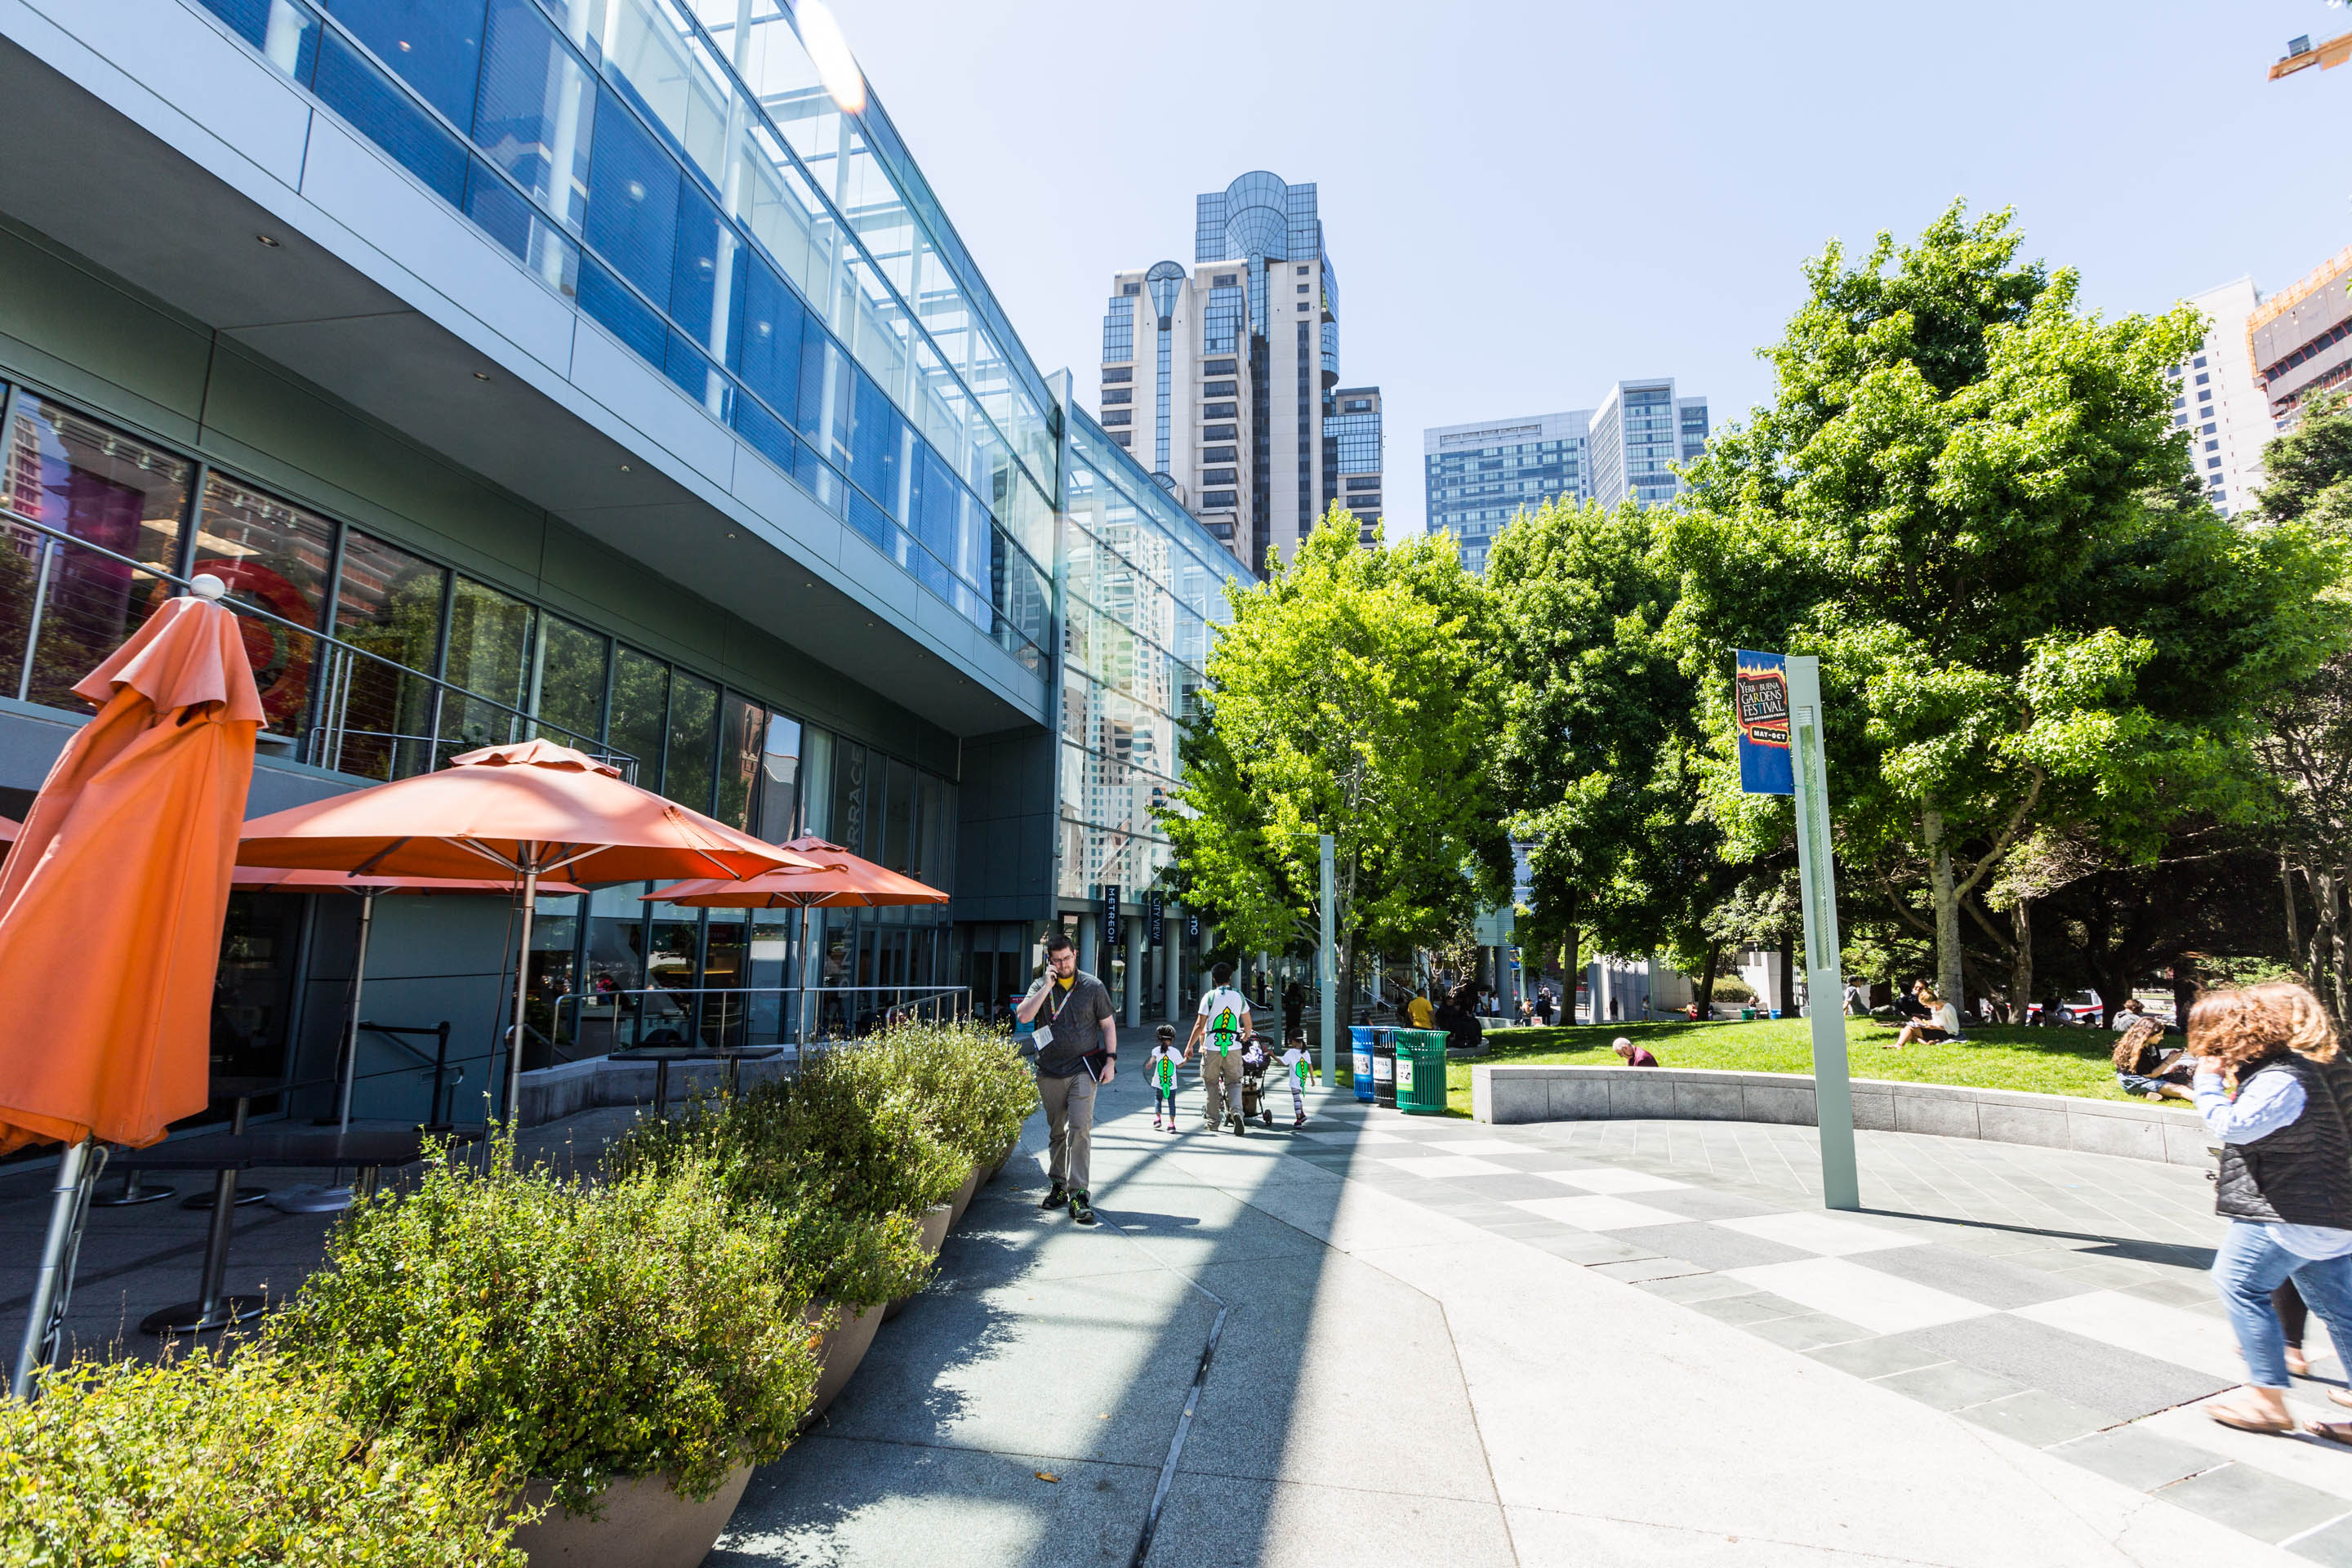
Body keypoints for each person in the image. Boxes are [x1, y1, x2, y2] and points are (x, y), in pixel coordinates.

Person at [2185, 981, 2352, 1441]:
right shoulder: (2329, 1065)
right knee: (2340, 1308)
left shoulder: (2283, 1077)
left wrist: (2207, 1082)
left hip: (2291, 1209)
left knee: (2238, 1283)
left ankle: (2266, 1400)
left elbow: (2234, 1126)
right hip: (2330, 1210)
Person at [1016, 933, 1118, 1226]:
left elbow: (1108, 1025)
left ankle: (1079, 1194)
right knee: (1056, 1131)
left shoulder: (1093, 987)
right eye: (1057, 960)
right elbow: (1023, 1017)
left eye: (1067, 958)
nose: (1063, 965)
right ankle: (1059, 1185)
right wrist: (1046, 987)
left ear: (1076, 955)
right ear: (1050, 961)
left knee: (1081, 1129)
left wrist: (1110, 1060)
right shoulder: (1041, 985)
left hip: (1083, 1070)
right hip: (1049, 1071)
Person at [1189, 961, 1253, 1134]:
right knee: (1234, 1081)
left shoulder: (1209, 997)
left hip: (1212, 1046)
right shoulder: (1238, 996)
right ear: (1230, 977)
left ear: (1213, 978)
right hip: (1233, 1045)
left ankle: (1213, 1122)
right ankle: (1237, 1112)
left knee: (1211, 1083)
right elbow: (1247, 1022)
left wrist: (1190, 1046)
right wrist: (1246, 1035)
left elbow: (1199, 1024)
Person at [2113, 1018, 2192, 1102]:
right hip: (2135, 1080)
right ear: (2148, 1035)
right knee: (2181, 1089)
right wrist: (2168, 1061)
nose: (2162, 1038)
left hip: (2148, 1077)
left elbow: (2156, 1066)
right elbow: (2151, 1075)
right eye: (2159, 1035)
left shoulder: (2151, 1045)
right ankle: (2204, 1102)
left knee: (2184, 1079)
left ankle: (2148, 1094)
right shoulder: (2136, 1051)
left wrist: (2168, 1057)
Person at [1887, 988, 1960, 1049]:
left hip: (1947, 1033)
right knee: (1905, 1031)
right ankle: (1927, 1043)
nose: (1926, 1007)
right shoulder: (1934, 1007)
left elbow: (1954, 1028)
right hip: (1936, 1030)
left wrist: (1935, 1027)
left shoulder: (1948, 1008)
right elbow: (1937, 1021)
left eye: (1926, 1005)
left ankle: (1899, 1045)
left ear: (1932, 1002)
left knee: (1909, 1029)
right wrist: (1924, 1022)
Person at [1147, 1023, 1183, 1134]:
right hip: (1172, 1084)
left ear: (1159, 1039)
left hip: (1159, 1082)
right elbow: (1180, 1065)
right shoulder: (1175, 1051)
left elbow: (1153, 1058)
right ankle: (1172, 1124)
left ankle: (1158, 1119)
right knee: (1171, 1101)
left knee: (1158, 1099)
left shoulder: (1156, 1050)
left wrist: (1150, 1063)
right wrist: (1187, 1058)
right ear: (1171, 1039)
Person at [1276, 1033, 1312, 1128]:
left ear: (1295, 1041)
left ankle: (1298, 1120)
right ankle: (1302, 1114)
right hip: (1302, 1080)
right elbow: (1310, 1066)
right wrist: (1312, 1079)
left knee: (1296, 1099)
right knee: (1298, 1099)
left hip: (1294, 1081)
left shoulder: (1291, 1052)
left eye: (1290, 1041)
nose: (1290, 1043)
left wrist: (1272, 1055)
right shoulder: (1306, 1052)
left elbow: (1282, 1062)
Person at [1282, 978, 1305, 1044]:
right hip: (1296, 1014)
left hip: (1290, 1014)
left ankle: (1287, 1041)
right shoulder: (1299, 995)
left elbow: (1284, 1005)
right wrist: (1300, 1009)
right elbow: (1302, 1004)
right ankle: (1295, 1041)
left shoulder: (1288, 995)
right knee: (1296, 1028)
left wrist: (1287, 1009)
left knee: (1288, 1028)